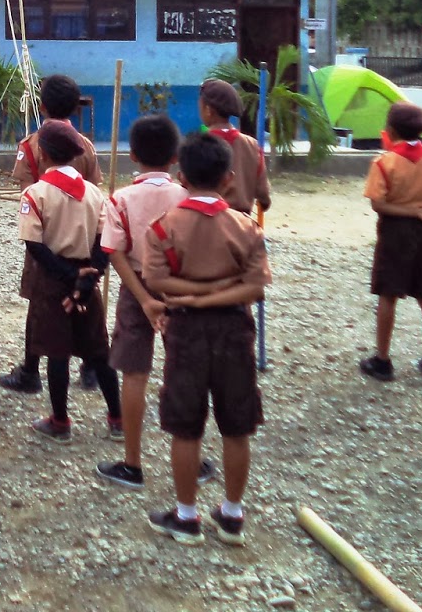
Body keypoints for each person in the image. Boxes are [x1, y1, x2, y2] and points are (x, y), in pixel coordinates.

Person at [138, 132, 270, 547]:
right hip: (234, 329)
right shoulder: (245, 227)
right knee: (236, 426)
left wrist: (192, 296)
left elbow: (156, 280)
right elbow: (255, 288)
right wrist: (219, 288)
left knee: (186, 428)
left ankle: (187, 516)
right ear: (229, 179)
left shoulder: (163, 229)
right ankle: (232, 515)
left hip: (186, 330)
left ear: (181, 176)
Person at [95, 115, 204, 489]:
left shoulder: (121, 199)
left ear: (133, 155)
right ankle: (195, 457)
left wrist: (142, 298)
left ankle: (132, 463)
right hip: (181, 287)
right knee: (184, 369)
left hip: (136, 286)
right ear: (176, 157)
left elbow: (115, 252)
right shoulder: (187, 197)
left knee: (135, 374)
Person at [19, 121, 124, 442]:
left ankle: (61, 421)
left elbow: (35, 246)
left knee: (56, 350)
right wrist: (87, 280)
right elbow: (104, 243)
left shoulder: (35, 194)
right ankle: (118, 419)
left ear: (42, 152)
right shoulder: (95, 194)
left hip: (52, 280)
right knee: (98, 349)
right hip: (88, 279)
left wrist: (69, 277)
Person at [0, 74, 102, 394]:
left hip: (44, 240)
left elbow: (26, 193)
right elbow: (95, 193)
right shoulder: (85, 145)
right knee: (86, 299)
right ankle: (91, 367)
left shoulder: (31, 144)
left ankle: (31, 371)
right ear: (75, 108)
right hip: (83, 238)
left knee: (40, 303)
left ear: (41, 106)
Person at [358, 102, 422, 383]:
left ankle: (382, 360)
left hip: (395, 233)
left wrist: (412, 211)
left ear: (391, 131)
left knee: (388, 294)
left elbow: (378, 204)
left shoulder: (384, 163)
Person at [199, 79, 272, 219]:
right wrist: (264, 202)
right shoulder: (252, 145)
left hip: (206, 222)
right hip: (242, 224)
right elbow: (263, 195)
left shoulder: (198, 144)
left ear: (208, 110)